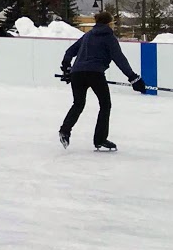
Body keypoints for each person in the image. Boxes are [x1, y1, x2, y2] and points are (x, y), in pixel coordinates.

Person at [59, 10, 145, 151]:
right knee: (105, 105)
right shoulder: (109, 38)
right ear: (109, 23)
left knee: (78, 104)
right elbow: (120, 59)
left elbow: (69, 52)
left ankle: (65, 130)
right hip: (95, 73)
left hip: (77, 74)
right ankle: (100, 139)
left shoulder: (87, 36)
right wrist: (133, 78)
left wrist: (67, 68)